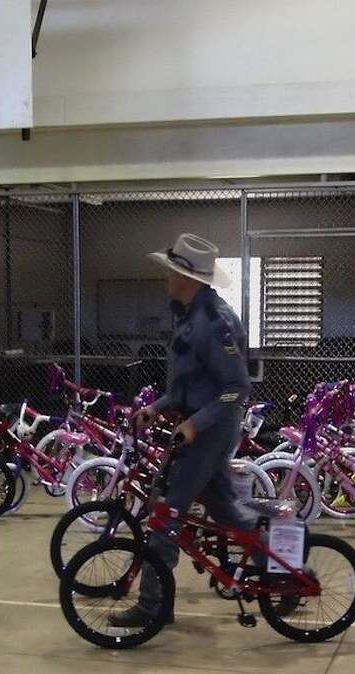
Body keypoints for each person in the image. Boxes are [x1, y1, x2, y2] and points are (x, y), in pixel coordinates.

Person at [109, 233, 254, 627]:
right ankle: (282, 569)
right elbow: (187, 387)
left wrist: (194, 423)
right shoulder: (189, 316)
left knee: (164, 512)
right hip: (195, 431)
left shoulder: (214, 323)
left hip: (209, 434)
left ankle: (153, 607)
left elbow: (236, 389)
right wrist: (156, 409)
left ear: (186, 278)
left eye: (170, 273)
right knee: (228, 512)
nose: (165, 280)